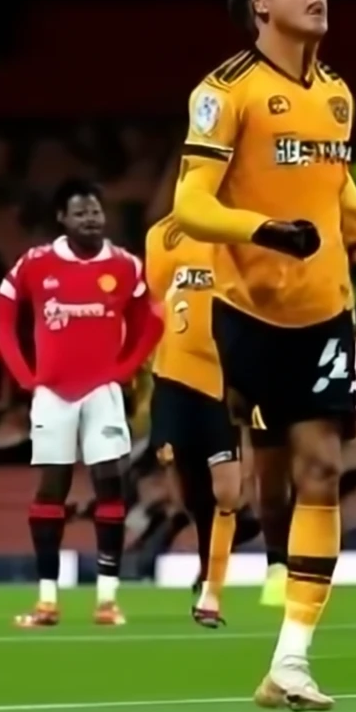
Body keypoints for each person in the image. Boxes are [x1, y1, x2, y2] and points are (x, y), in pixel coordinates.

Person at [173, 0, 356, 710]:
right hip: (249, 314)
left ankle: (290, 660)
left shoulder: (338, 93)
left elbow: (333, 182)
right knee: (266, 481)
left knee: (322, 467)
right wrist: (263, 230)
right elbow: (191, 203)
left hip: (326, 313)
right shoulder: (226, 90)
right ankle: (244, 575)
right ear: (260, 4)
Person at [0, 179, 163, 627]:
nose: (90, 219)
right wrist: (24, 374)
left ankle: (107, 601)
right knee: (52, 489)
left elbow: (151, 320)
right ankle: (47, 602)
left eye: (95, 211)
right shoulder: (36, 262)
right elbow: (3, 313)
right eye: (80, 212)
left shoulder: (125, 264)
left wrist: (125, 369)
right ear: (61, 218)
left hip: (102, 393)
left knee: (111, 487)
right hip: (53, 394)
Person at [143, 213, 241, 627]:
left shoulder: (242, 229)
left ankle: (212, 594)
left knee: (227, 492)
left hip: (223, 383)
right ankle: (206, 562)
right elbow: (155, 299)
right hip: (174, 380)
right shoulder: (164, 234)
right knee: (191, 493)